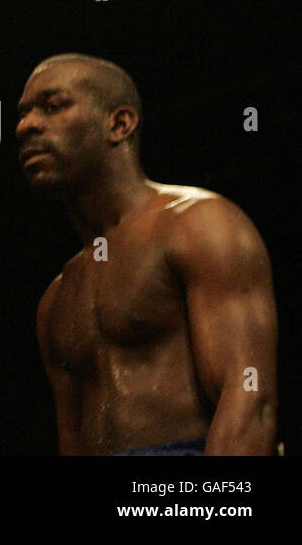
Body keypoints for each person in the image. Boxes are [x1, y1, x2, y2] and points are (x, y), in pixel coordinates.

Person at [17, 54, 278, 455]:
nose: (26, 126)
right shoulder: (56, 298)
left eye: (52, 106)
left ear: (119, 124)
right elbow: (71, 442)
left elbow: (247, 395)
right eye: (24, 114)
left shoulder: (199, 223)